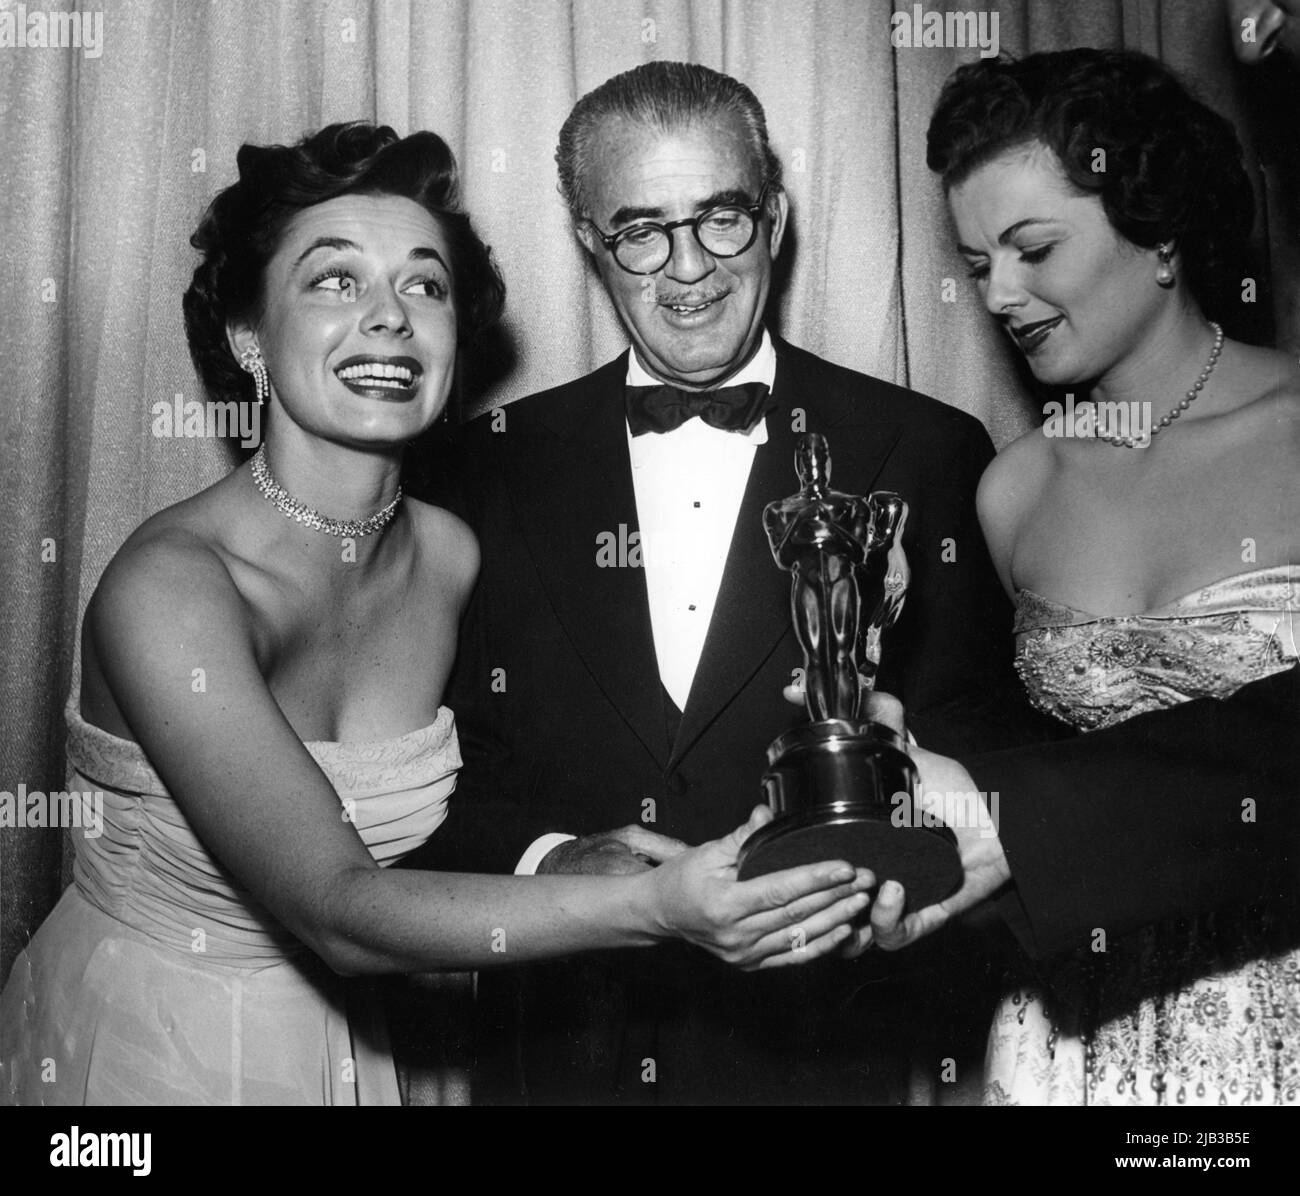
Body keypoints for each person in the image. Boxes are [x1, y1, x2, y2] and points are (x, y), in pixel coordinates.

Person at [0, 122, 877, 1107]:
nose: (389, 318)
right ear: (247, 334)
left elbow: (505, 785)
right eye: (335, 281)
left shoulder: (456, 553)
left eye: (423, 285)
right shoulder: (168, 589)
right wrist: (657, 907)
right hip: (157, 1051)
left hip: (388, 1049)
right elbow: (340, 908)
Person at [413, 61, 1045, 1105]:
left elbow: (980, 744)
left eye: (722, 218)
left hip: (827, 1052)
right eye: (640, 229)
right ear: (587, 239)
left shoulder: (927, 449)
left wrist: (881, 868)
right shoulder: (479, 466)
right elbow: (425, 779)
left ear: (778, 217)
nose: (688, 267)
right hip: (554, 1051)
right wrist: (548, 859)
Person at [861, 48, 1299, 1106]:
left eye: (1032, 247)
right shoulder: (1013, 486)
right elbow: (1007, 762)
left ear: (1156, 229)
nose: (1000, 294)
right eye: (976, 263)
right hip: (1075, 1028)